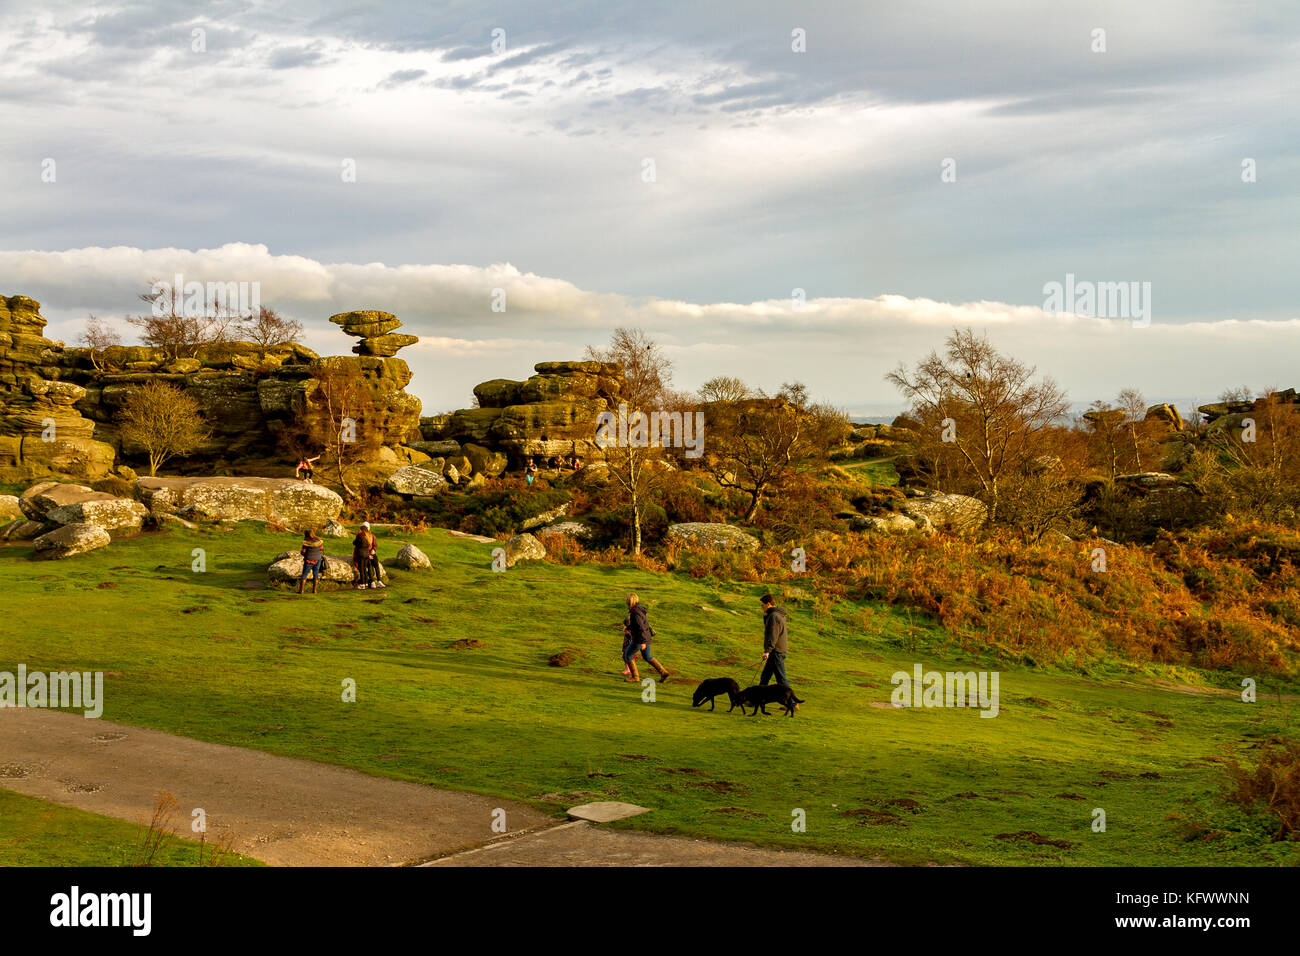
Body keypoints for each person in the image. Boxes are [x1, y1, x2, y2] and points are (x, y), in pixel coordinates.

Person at [622, 593, 670, 683]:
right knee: (647, 656)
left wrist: (643, 642)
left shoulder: (635, 612)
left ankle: (635, 677)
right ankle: (663, 672)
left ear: (628, 601)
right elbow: (638, 625)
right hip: (646, 636)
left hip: (640, 639)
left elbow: (641, 627)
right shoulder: (639, 609)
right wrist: (628, 628)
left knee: (628, 655)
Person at [759, 594, 789, 685]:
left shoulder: (774, 616)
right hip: (775, 651)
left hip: (776, 652)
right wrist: (765, 616)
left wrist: (767, 651)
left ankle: (791, 700)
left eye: (762, 605)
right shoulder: (775, 614)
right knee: (764, 677)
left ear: (768, 604)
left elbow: (773, 635)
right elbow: (769, 630)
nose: (761, 607)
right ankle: (758, 698)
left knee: (782, 680)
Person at [352, 522, 377, 589]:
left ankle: (363, 584)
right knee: (365, 568)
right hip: (367, 554)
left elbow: (355, 543)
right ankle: (366, 582)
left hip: (361, 554)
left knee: (361, 569)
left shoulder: (360, 535)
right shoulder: (369, 536)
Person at [299, 530, 325, 594]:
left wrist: (304, 554)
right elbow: (321, 548)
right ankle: (314, 590)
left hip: (308, 560)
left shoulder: (306, 543)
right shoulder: (319, 541)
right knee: (315, 574)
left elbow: (303, 552)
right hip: (317, 559)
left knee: (304, 575)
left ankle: (301, 590)